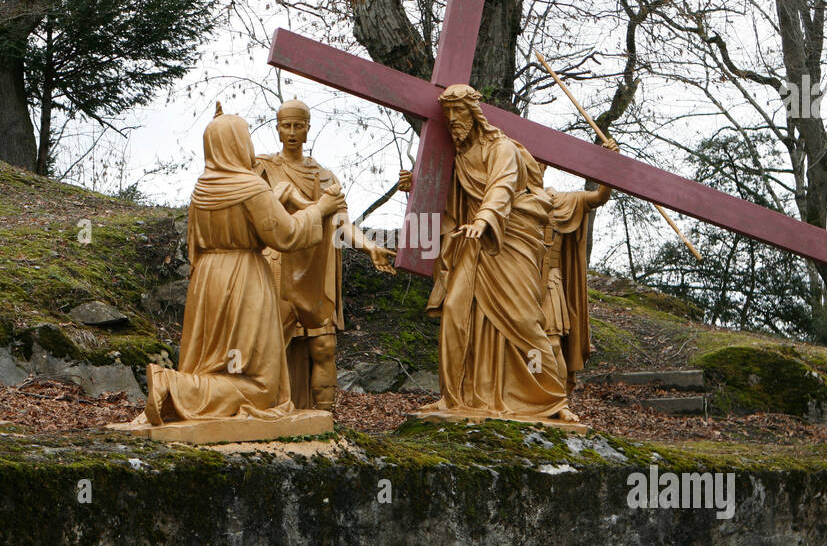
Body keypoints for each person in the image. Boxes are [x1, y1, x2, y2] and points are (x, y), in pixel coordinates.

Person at [141, 112, 343, 424]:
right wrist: (320, 209)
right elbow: (287, 234)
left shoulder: (202, 189)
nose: (249, 142)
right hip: (244, 280)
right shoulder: (250, 187)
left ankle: (186, 389)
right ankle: (175, 387)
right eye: (245, 136)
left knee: (215, 365)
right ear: (235, 143)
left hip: (207, 281)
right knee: (262, 385)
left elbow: (194, 244)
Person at [399, 84, 575, 422]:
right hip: (470, 245)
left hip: (508, 242)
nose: (453, 122)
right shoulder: (458, 160)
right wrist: (417, 187)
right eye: (448, 116)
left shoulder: (501, 148)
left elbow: (502, 187)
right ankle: (458, 395)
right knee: (456, 314)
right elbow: (447, 205)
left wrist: (484, 220)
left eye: (458, 114)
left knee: (523, 321)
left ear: (474, 115)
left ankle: (550, 395)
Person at [255, 99, 395, 411]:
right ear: (277, 129)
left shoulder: (326, 177)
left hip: (316, 270)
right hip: (278, 267)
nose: (292, 132)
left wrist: (369, 245)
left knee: (323, 346)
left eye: (298, 125)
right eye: (286, 125)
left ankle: (324, 417)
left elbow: (343, 225)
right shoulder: (263, 169)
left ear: (307, 129)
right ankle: (269, 410)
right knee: (271, 345)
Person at [527, 158, 616, 394]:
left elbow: (599, 197)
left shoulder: (563, 202)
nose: (532, 170)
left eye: (537, 166)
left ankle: (559, 397)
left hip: (551, 282)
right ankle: (533, 396)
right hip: (523, 281)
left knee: (554, 344)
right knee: (528, 347)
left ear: (543, 169)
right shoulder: (513, 202)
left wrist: (609, 164)